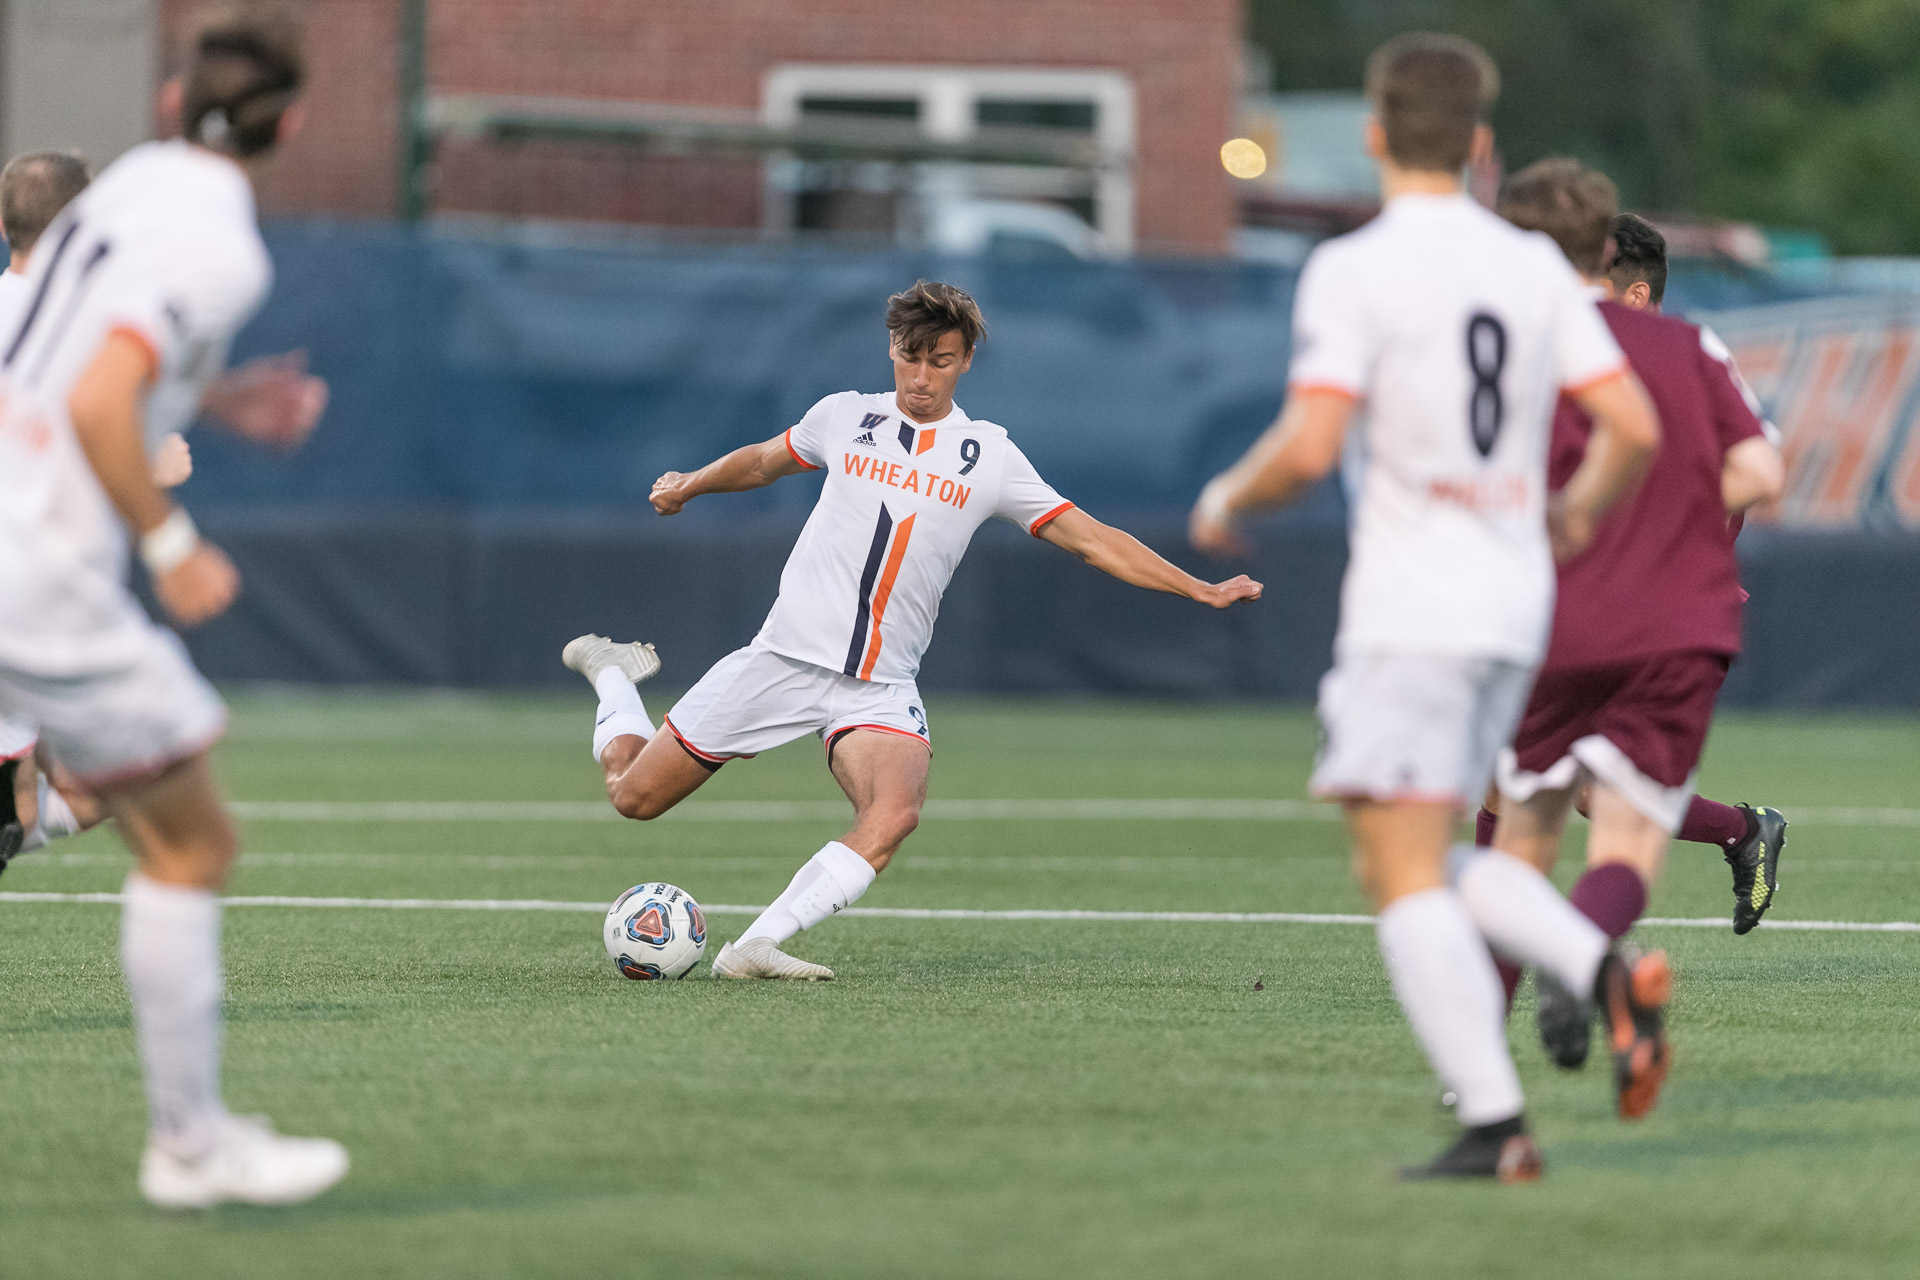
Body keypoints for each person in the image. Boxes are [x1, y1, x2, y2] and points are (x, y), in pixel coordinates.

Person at [1189, 34, 1665, 1181]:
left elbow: (1307, 445)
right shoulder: (1535, 267)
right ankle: (1588, 983)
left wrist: (1224, 496)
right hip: (1515, 603)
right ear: (1483, 146)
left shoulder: (1356, 267)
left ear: (1371, 136)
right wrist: (1571, 514)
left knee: (1396, 866)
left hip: (1414, 605)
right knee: (1432, 846)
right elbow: (1634, 426)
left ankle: (1507, 1110)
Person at [566, 279, 1262, 980]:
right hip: (782, 660)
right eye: (911, 356)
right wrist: (690, 484)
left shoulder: (988, 456)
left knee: (894, 814)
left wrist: (1195, 586)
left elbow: (1090, 538)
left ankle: (754, 947)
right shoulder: (843, 417)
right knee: (633, 797)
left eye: (941, 361)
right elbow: (763, 460)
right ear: (892, 350)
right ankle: (615, 674)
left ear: (964, 364)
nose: (922, 376)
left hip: (879, 687)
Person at [0, 5, 346, 1207]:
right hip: (40, 570)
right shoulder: (223, 241)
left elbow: (88, 358)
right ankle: (191, 1143)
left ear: (166, 104)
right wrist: (173, 535)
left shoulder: (132, 187)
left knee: (134, 819)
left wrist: (219, 395)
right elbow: (102, 401)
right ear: (293, 122)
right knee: (192, 840)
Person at [1488, 162, 1785, 1070]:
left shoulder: (1534, 351)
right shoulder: (1694, 353)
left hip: (1568, 615)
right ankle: (1734, 837)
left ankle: (1487, 1061)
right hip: (1682, 623)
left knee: (1516, 823)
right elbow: (1760, 473)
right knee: (1613, 823)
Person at [0, 143, 324, 871]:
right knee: (171, 812)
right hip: (37, 586)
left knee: (63, 795)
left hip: (35, 585)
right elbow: (78, 424)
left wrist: (210, 401)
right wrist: (164, 517)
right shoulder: (87, 320)